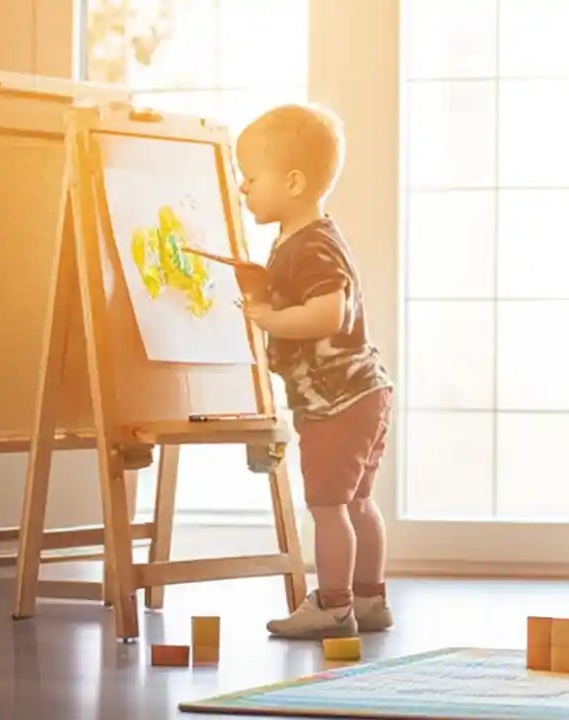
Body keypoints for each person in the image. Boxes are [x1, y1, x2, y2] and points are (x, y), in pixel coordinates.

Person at [236, 103, 394, 639]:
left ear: (294, 182)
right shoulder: (303, 239)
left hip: (337, 400)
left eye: (251, 178)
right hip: (362, 392)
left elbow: (330, 312)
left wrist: (270, 318)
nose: (242, 189)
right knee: (358, 502)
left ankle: (334, 606)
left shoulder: (313, 244)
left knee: (328, 507)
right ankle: (371, 600)